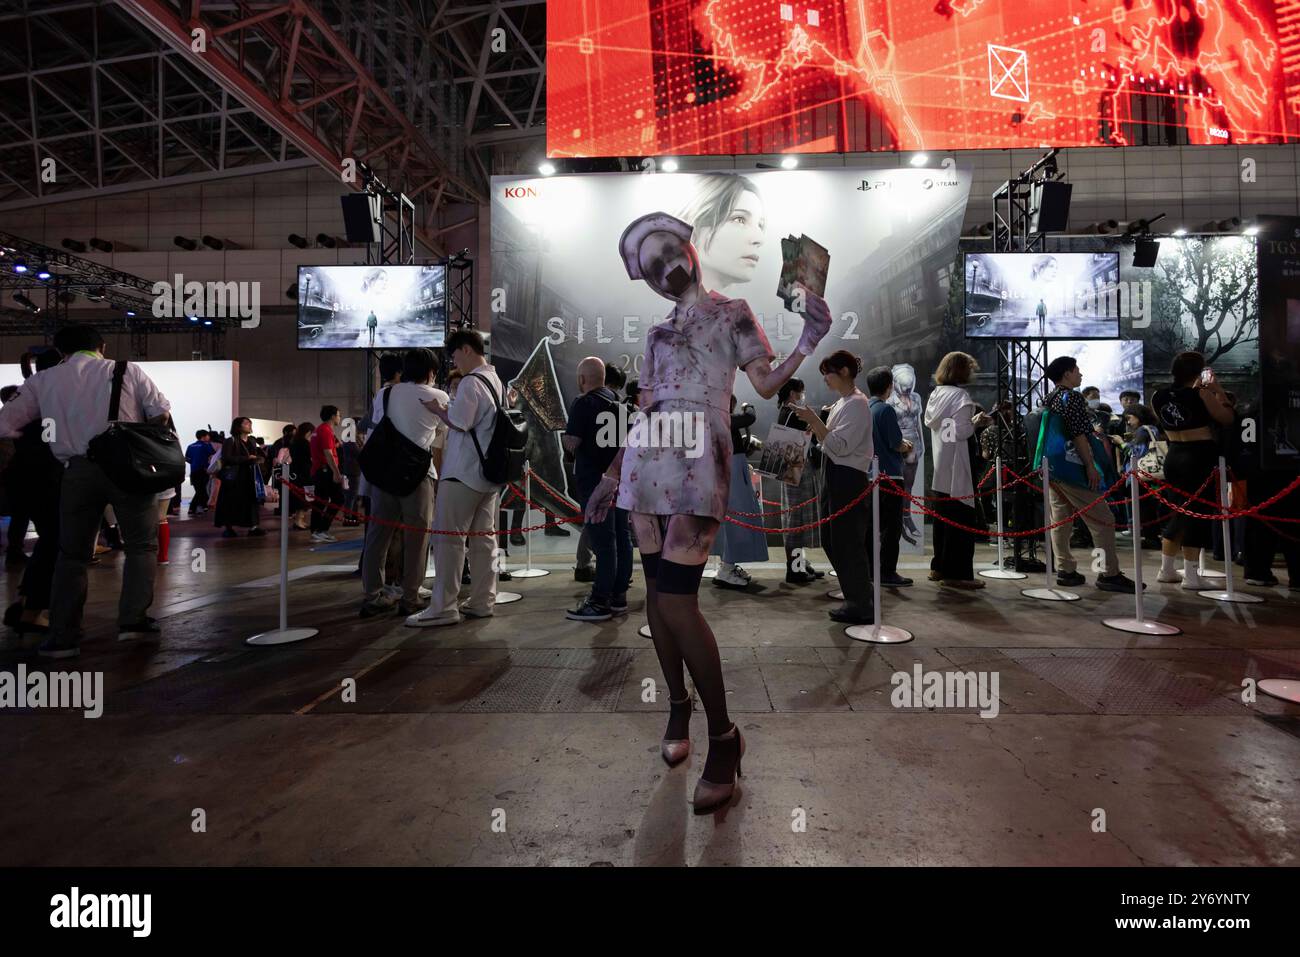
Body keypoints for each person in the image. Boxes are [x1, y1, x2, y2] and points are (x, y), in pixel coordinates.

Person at [586, 200, 831, 813]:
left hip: (700, 458)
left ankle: (724, 736)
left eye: (670, 253)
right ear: (644, 280)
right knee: (656, 602)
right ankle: (677, 710)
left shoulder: (734, 312)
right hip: (648, 459)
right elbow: (644, 407)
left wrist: (809, 338)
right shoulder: (656, 332)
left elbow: (766, 383)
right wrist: (614, 472)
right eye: (651, 267)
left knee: (676, 599)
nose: (666, 268)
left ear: (690, 249)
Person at [0, 324, 170, 658]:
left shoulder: (42, 380)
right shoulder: (126, 370)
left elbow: (8, 423)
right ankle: (132, 623)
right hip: (127, 468)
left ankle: (63, 636)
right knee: (140, 546)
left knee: (72, 555)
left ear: (61, 351)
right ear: (101, 346)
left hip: (76, 469)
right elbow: (160, 413)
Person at [407, 329, 506, 627]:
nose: (454, 362)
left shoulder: (471, 382)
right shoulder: (494, 380)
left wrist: (439, 410)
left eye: (454, 355)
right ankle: (481, 601)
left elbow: (461, 422)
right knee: (483, 540)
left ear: (465, 349)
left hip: (462, 473)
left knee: (448, 540)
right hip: (486, 475)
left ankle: (443, 607)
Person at [1037, 357, 1138, 592]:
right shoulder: (1071, 397)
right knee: (1103, 520)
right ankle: (1108, 573)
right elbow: (1079, 434)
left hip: (1052, 467)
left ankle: (1065, 569)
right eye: (1077, 370)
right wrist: (1090, 466)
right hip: (1072, 467)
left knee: (1060, 520)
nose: (1080, 374)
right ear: (1067, 373)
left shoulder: (1049, 397)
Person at [359, 349, 448, 617]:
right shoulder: (438, 396)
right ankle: (410, 596)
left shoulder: (385, 394)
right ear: (431, 371)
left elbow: (377, 427)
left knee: (378, 536)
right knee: (417, 538)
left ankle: (373, 595)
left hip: (384, 476)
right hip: (418, 477)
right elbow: (441, 439)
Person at [795, 350, 875, 621]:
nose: (825, 379)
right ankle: (855, 595)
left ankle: (860, 603)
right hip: (835, 474)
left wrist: (815, 421)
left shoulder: (857, 403)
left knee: (847, 542)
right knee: (832, 539)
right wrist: (817, 425)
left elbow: (839, 447)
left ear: (843, 372)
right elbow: (830, 443)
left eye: (827, 373)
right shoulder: (844, 402)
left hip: (848, 477)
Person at [1152, 352, 1234, 589]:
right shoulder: (1201, 394)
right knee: (1195, 515)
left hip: (1174, 454)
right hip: (1198, 456)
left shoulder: (1158, 395)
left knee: (1178, 512)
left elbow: (1163, 422)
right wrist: (1217, 390)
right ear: (1198, 373)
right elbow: (1226, 418)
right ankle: (1191, 575)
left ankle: (1166, 569)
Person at [0, 348, 64, 645]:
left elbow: (6, 426)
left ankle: (29, 602)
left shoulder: (30, 390)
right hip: (46, 474)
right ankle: (34, 608)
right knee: (55, 541)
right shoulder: (55, 391)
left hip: (26, 474)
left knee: (51, 540)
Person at [563, 356, 632, 621]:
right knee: (622, 540)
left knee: (603, 544)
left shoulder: (583, 403)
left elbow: (572, 442)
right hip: (619, 482)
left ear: (582, 379)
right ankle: (618, 597)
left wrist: (571, 441)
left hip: (593, 482)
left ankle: (600, 601)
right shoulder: (621, 405)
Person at [924, 351, 989, 589]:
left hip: (942, 465)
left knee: (942, 521)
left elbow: (947, 428)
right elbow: (961, 432)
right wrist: (975, 422)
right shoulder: (960, 396)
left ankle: (939, 567)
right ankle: (959, 574)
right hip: (958, 467)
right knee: (960, 521)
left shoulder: (936, 395)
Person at [711, 394, 768, 589]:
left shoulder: (716, 417)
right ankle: (726, 569)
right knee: (736, 522)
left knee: (734, 522)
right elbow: (750, 417)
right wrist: (748, 406)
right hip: (731, 474)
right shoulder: (719, 416)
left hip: (732, 470)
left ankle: (727, 565)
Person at [866, 366, 913, 587]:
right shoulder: (886, 411)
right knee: (891, 528)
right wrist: (906, 446)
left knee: (870, 526)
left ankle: (869, 569)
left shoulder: (865, 408)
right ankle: (887, 571)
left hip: (869, 476)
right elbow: (896, 443)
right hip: (890, 475)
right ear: (889, 386)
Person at [775, 377, 825, 584]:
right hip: (793, 467)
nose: (803, 395)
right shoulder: (790, 412)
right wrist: (820, 417)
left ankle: (800, 563)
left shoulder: (792, 412)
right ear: (792, 393)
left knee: (800, 519)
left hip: (796, 466)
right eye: (801, 392)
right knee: (795, 519)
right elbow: (805, 436)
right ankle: (794, 569)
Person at [887, 363, 926, 545]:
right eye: (904, 388)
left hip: (914, 444)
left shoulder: (916, 397)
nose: (906, 391)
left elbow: (918, 421)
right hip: (899, 444)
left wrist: (922, 445)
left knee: (908, 486)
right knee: (898, 485)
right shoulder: (889, 400)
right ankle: (898, 523)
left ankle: (907, 518)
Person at [214, 417, 266, 538]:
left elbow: (256, 455)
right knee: (230, 502)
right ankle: (229, 527)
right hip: (234, 477)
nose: (249, 425)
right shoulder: (230, 441)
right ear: (238, 426)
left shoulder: (252, 441)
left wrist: (258, 459)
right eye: (246, 423)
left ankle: (253, 526)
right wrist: (246, 458)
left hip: (249, 476)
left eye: (250, 423)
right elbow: (227, 458)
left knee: (251, 501)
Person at [309, 405, 345, 543]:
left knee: (320, 500)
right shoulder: (325, 430)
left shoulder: (320, 430)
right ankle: (321, 530)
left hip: (321, 470)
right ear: (332, 416)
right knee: (338, 499)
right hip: (325, 470)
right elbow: (328, 453)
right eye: (338, 415)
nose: (339, 418)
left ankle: (317, 530)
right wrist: (336, 472)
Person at [288, 422, 315, 530]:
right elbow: (311, 457)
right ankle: (299, 521)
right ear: (309, 432)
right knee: (304, 498)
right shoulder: (305, 443)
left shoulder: (294, 442)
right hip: (305, 473)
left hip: (296, 472)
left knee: (301, 497)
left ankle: (299, 520)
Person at [185, 429, 213, 515]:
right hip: (203, 470)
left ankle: (202, 506)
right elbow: (213, 456)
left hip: (194, 471)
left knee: (199, 489)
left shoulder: (190, 446)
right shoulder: (206, 445)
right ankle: (194, 507)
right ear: (204, 437)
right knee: (201, 490)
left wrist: (193, 463)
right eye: (208, 435)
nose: (209, 437)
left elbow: (187, 458)